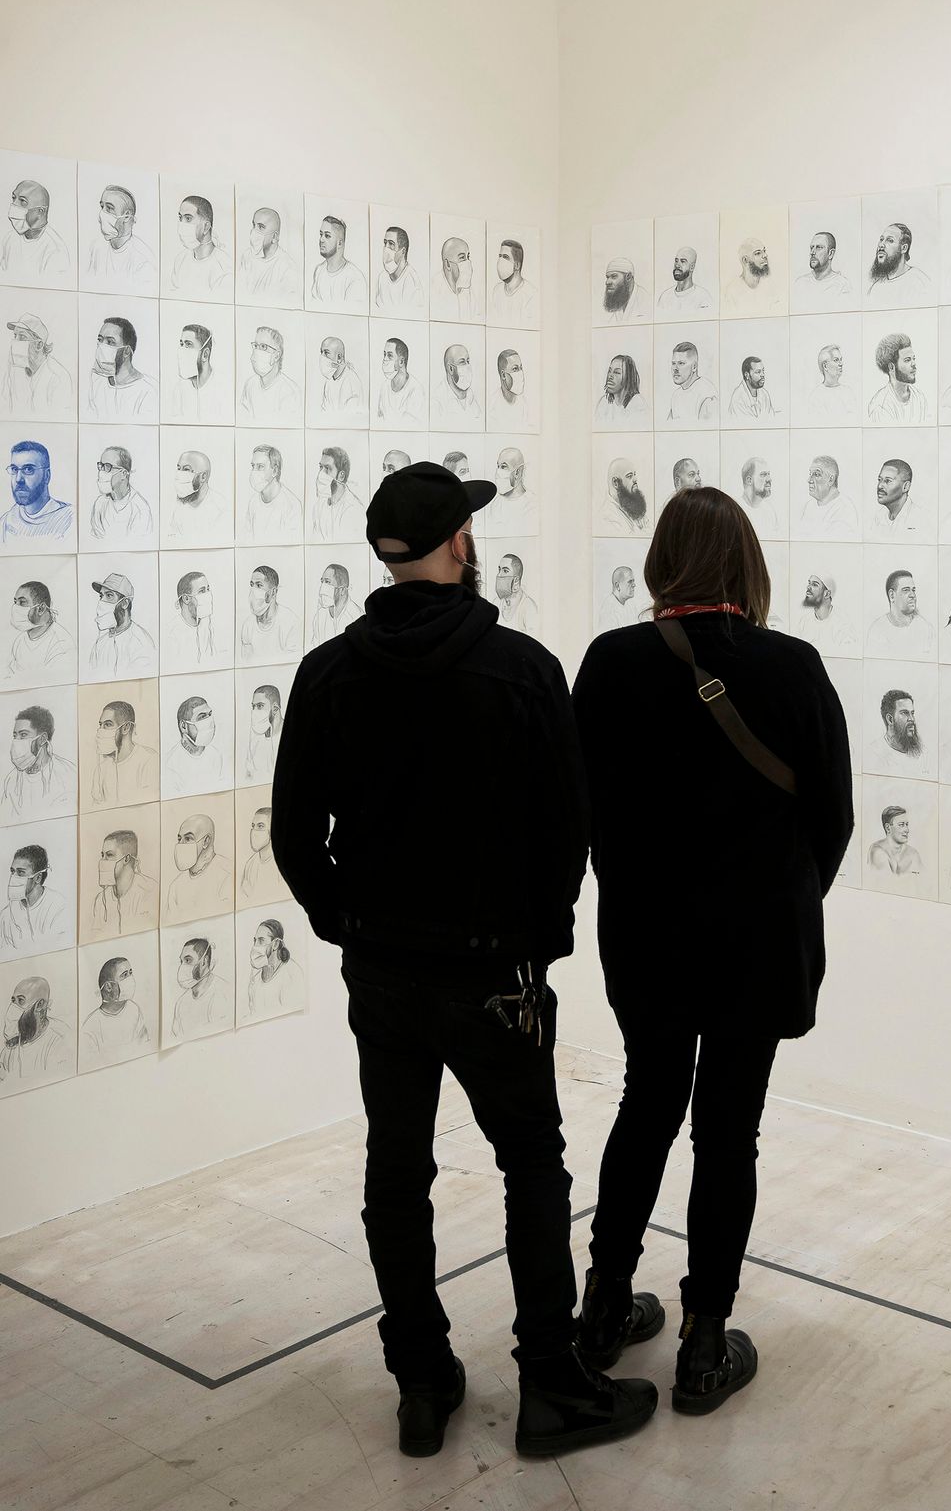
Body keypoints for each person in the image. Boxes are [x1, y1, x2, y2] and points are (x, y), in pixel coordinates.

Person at [272, 458, 656, 1457]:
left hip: (385, 970)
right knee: (530, 1159)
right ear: (458, 544)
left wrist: (342, 919)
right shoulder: (521, 668)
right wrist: (541, 937)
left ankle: (422, 1381)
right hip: (495, 972)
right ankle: (550, 1386)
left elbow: (292, 833)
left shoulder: (330, 672)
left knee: (396, 1170)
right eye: (468, 526)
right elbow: (568, 825)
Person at [571, 485, 851, 1413]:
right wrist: (781, 894)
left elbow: (585, 809)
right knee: (730, 1125)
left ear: (663, 563)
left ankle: (603, 1306)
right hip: (754, 939)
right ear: (746, 565)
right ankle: (702, 1342)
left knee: (646, 1102)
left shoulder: (609, 663)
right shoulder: (793, 664)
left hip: (646, 936)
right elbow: (833, 817)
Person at [0, 704, 74, 821]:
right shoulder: (11, 780)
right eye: (15, 735)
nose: (16, 741)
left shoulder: (67, 774)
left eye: (23, 735)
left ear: (42, 739)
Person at [0, 974, 72, 1082]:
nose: (14, 1007)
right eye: (13, 1000)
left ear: (39, 1005)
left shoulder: (60, 1039)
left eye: (21, 1001)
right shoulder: (11, 1046)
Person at [0, 844, 70, 953]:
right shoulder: (6, 915)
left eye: (21, 872)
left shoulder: (58, 907)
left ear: (38, 878)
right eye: (12, 871)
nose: (13, 877)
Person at [80, 955, 150, 1065]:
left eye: (130, 973)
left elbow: (145, 1045)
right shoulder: (91, 1026)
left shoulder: (134, 1009)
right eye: (124, 975)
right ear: (108, 987)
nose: (130, 979)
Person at [87, 315, 158, 421]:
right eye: (100, 340)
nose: (102, 346)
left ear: (126, 351)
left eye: (110, 342)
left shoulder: (148, 390)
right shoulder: (97, 383)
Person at [0, 439, 72, 543]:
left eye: (28, 469)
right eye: (15, 470)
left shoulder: (68, 519)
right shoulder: (6, 522)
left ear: (47, 476)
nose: (18, 479)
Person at [91, 828, 159, 939]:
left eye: (109, 855)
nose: (103, 861)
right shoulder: (100, 899)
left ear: (126, 858)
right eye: (102, 855)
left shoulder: (150, 891)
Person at [86, 184, 156, 289]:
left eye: (109, 208)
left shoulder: (142, 260)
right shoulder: (96, 248)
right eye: (102, 207)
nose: (102, 214)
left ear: (127, 216)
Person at [2, 312, 74, 415]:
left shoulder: (58, 377)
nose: (15, 342)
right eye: (15, 336)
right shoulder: (12, 371)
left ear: (39, 344)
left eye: (22, 337)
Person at [92, 699, 159, 806]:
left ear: (126, 728)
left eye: (108, 725)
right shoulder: (101, 768)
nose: (101, 730)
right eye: (100, 725)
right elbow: (96, 808)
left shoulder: (149, 759)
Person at [1, 178, 71, 282]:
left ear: (41, 211)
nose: (14, 205)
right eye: (13, 198)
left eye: (23, 201)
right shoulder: (9, 239)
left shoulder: (55, 250)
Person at [165, 813, 233, 920]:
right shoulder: (176, 886)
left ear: (206, 841)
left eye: (188, 838)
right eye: (179, 839)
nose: (181, 844)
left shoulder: (228, 874)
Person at [5, 579, 75, 678]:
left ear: (41, 608)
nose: (15, 607)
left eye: (22, 602)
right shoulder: (20, 641)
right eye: (15, 602)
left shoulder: (60, 643)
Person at [89, 572, 155, 678]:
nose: (102, 601)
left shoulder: (141, 642)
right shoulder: (100, 643)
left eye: (109, 595)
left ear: (125, 603)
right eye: (101, 596)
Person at [91, 444, 153, 543]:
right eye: (101, 466)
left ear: (124, 473)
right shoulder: (100, 503)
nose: (101, 472)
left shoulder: (140, 508)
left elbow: (139, 543)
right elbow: (95, 540)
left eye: (107, 467)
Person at [169, 195, 231, 296]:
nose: (182, 224)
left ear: (206, 226)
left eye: (188, 218)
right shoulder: (180, 259)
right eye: (180, 218)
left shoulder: (223, 267)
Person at [864, 688, 934, 777]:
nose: (912, 719)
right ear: (890, 719)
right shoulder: (874, 754)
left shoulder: (923, 754)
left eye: (912, 713)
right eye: (905, 713)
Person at [164, 695, 226, 794]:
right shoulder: (170, 765)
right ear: (184, 726)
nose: (209, 721)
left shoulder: (216, 755)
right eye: (202, 717)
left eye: (209, 714)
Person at [170, 937, 231, 1038]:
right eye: (182, 961)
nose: (182, 967)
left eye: (188, 960)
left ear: (204, 961)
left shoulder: (223, 993)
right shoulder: (181, 1003)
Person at [864, 569, 935, 656]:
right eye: (906, 590)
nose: (912, 595)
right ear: (892, 595)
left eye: (913, 590)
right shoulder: (877, 631)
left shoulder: (926, 629)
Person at [168, 448, 231, 545]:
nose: (179, 474)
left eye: (186, 469)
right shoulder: (180, 506)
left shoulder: (220, 508)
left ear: (203, 476)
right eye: (178, 468)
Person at [240, 564, 301, 663]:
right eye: (252, 585)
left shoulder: (291, 622)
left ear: (273, 592)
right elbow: (246, 661)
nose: (253, 590)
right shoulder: (248, 625)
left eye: (259, 585)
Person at [241, 324, 302, 421]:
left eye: (263, 347)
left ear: (277, 356)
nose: (257, 351)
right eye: (256, 346)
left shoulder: (290, 391)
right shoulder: (250, 385)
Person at [246, 918, 306, 1017]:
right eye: (255, 940)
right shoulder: (255, 977)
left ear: (276, 944)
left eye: (261, 941)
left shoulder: (292, 974)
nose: (255, 946)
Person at [239, 206, 299, 302]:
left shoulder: (287, 267)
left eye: (261, 227)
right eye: (254, 225)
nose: (254, 231)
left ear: (274, 237)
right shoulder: (247, 256)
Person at [867, 331, 929, 424]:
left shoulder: (919, 398)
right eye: (907, 360)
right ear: (891, 367)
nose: (914, 364)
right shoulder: (880, 406)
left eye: (913, 359)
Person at [244, 444, 303, 542]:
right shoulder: (253, 502)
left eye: (260, 466)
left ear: (275, 471)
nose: (254, 471)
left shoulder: (292, 505)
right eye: (253, 466)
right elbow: (247, 539)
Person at [793, 571, 857, 654]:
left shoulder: (842, 624)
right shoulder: (804, 622)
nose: (808, 587)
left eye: (815, 584)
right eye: (809, 583)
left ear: (827, 594)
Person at [311, 446, 365, 541]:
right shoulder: (319, 506)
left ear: (341, 476)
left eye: (327, 468)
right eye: (321, 467)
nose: (321, 473)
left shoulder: (353, 509)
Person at [866, 221, 931, 297]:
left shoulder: (919, 282)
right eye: (881, 239)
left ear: (903, 248)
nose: (881, 245)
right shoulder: (875, 288)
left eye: (890, 240)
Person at [799, 453, 858, 536]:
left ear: (831, 480)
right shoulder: (809, 506)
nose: (809, 480)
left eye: (816, 474)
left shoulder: (844, 509)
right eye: (810, 474)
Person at [169, 570, 217, 668]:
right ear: (186, 599)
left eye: (208, 589)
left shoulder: (207, 625)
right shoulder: (172, 633)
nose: (208, 595)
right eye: (202, 591)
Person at [375, 335, 426, 426]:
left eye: (390, 355)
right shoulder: (384, 387)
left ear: (401, 361)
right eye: (384, 354)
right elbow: (379, 420)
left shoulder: (415, 390)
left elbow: (412, 426)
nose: (384, 359)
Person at [801, 342, 859, 422]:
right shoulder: (816, 396)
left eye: (841, 360)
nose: (841, 364)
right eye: (836, 360)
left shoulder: (848, 392)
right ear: (825, 366)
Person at [374, 224, 425, 314]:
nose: (386, 248)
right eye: (385, 243)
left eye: (391, 244)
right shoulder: (382, 277)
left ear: (403, 251)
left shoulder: (412, 282)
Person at [240, 807, 287, 902]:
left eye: (260, 826)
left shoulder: (283, 863)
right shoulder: (250, 864)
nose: (254, 831)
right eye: (253, 826)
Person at [486, 447, 538, 534]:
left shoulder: (531, 503)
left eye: (503, 467)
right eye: (498, 466)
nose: (498, 472)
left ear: (518, 472)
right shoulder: (497, 504)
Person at [793, 231, 852, 306]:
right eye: (811, 247)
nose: (812, 252)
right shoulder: (800, 283)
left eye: (819, 247)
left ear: (830, 254)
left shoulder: (842, 285)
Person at [310, 563, 363, 646]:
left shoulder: (357, 616)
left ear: (342, 590)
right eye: (322, 581)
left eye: (327, 582)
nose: (322, 586)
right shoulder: (320, 615)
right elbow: (315, 647)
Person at [488, 238, 538, 326]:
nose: (500, 261)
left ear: (517, 265)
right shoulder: (497, 290)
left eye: (505, 257)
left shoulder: (531, 294)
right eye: (500, 256)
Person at [722, 237, 777, 315]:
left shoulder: (771, 287)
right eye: (758, 253)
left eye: (764, 251)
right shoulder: (732, 291)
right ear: (745, 260)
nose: (765, 255)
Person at [315, 335, 366, 417]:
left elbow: (351, 418)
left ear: (339, 357)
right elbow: (324, 413)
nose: (322, 357)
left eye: (326, 353)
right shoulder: (329, 381)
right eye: (321, 352)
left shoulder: (352, 382)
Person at [867, 805, 922, 878]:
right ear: (888, 828)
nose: (907, 830)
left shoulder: (913, 853)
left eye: (907, 824)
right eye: (901, 825)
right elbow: (886, 883)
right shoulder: (877, 851)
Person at [869, 458, 921, 535]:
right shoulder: (878, 517)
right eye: (879, 479)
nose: (880, 486)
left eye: (888, 481)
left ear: (905, 487)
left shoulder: (919, 518)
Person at [657, 246, 714, 315]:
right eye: (676, 261)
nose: (677, 265)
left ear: (692, 267)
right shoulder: (664, 297)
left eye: (683, 261)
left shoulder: (703, 298)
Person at [595, 353, 649, 426]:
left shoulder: (638, 404)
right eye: (609, 371)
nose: (610, 376)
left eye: (617, 372)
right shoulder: (603, 403)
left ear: (628, 377)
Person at [487, 347, 534, 429]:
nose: (520, 373)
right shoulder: (492, 407)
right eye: (515, 369)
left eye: (521, 368)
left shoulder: (525, 405)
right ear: (503, 375)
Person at [738, 456, 784, 537]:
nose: (769, 479)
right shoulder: (737, 509)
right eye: (763, 475)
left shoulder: (769, 511)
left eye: (768, 474)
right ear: (749, 480)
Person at [438, 342, 482, 428]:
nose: (468, 366)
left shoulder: (471, 396)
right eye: (462, 362)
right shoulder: (438, 401)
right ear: (450, 368)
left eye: (468, 361)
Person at [434, 235, 478, 320]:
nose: (467, 262)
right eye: (462, 257)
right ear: (447, 264)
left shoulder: (469, 292)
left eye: (468, 257)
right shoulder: (435, 289)